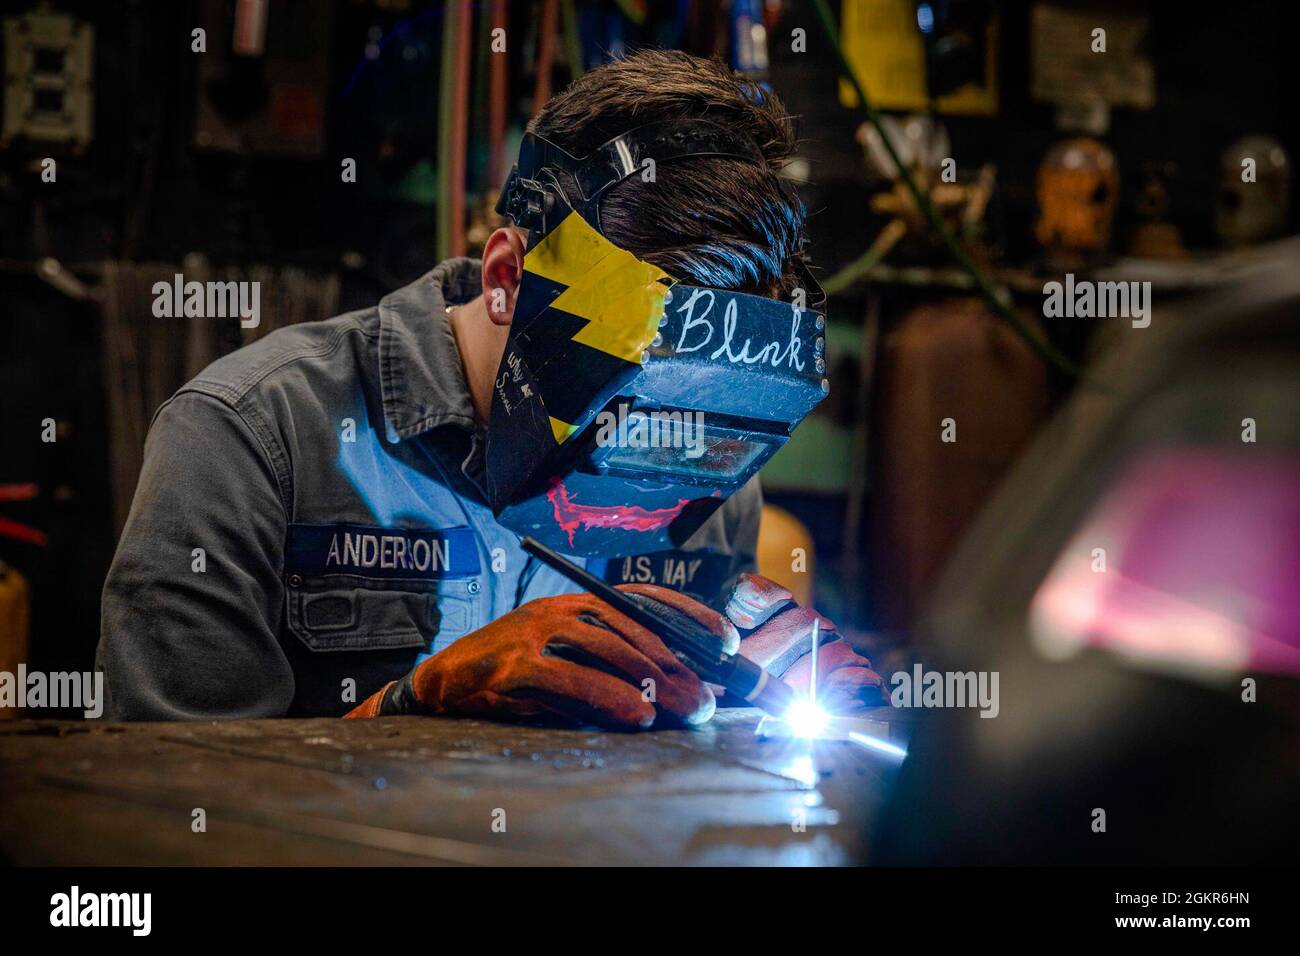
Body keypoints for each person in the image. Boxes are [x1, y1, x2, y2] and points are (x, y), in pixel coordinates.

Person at [96, 49, 883, 725]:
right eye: (635, 397)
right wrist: (409, 708)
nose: (674, 447)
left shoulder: (713, 480)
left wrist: (751, 703)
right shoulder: (250, 437)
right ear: (507, 280)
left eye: (711, 411)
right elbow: (168, 799)